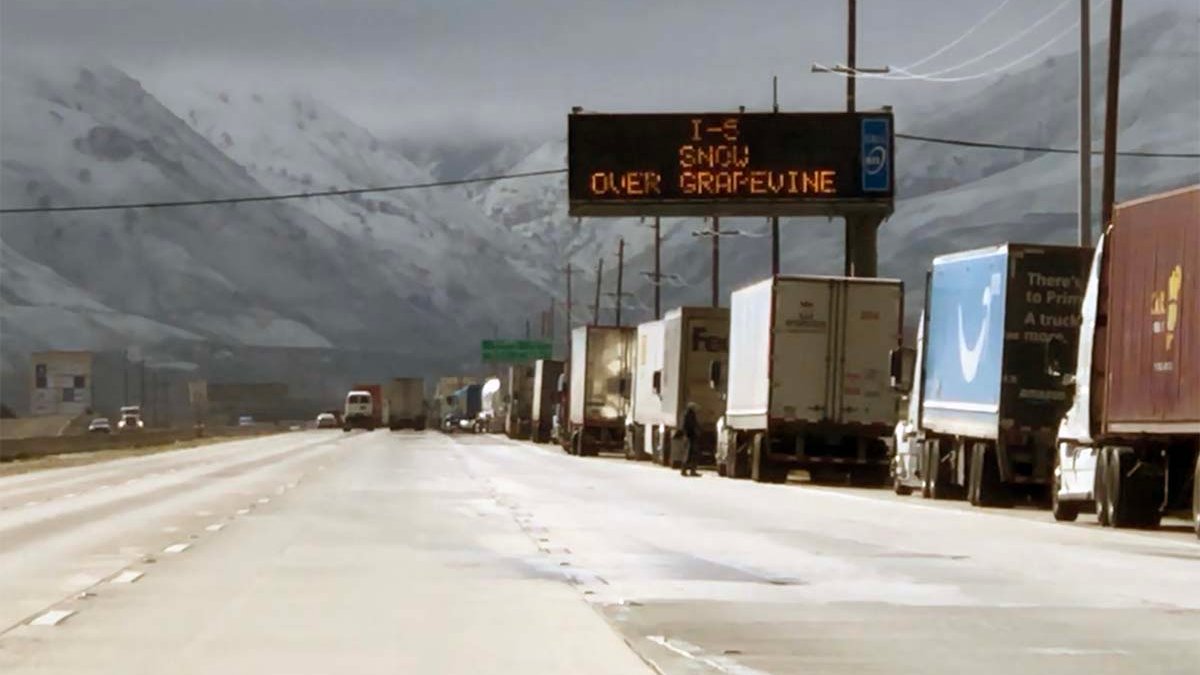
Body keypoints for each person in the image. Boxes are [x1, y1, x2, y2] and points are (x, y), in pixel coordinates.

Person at [680, 402, 700, 477]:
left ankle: (686, 470)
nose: (696, 409)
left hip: (689, 436)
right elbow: (690, 426)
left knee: (689, 454)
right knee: (690, 454)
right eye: (695, 407)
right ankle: (690, 471)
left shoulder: (687, 414)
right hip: (690, 437)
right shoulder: (690, 415)